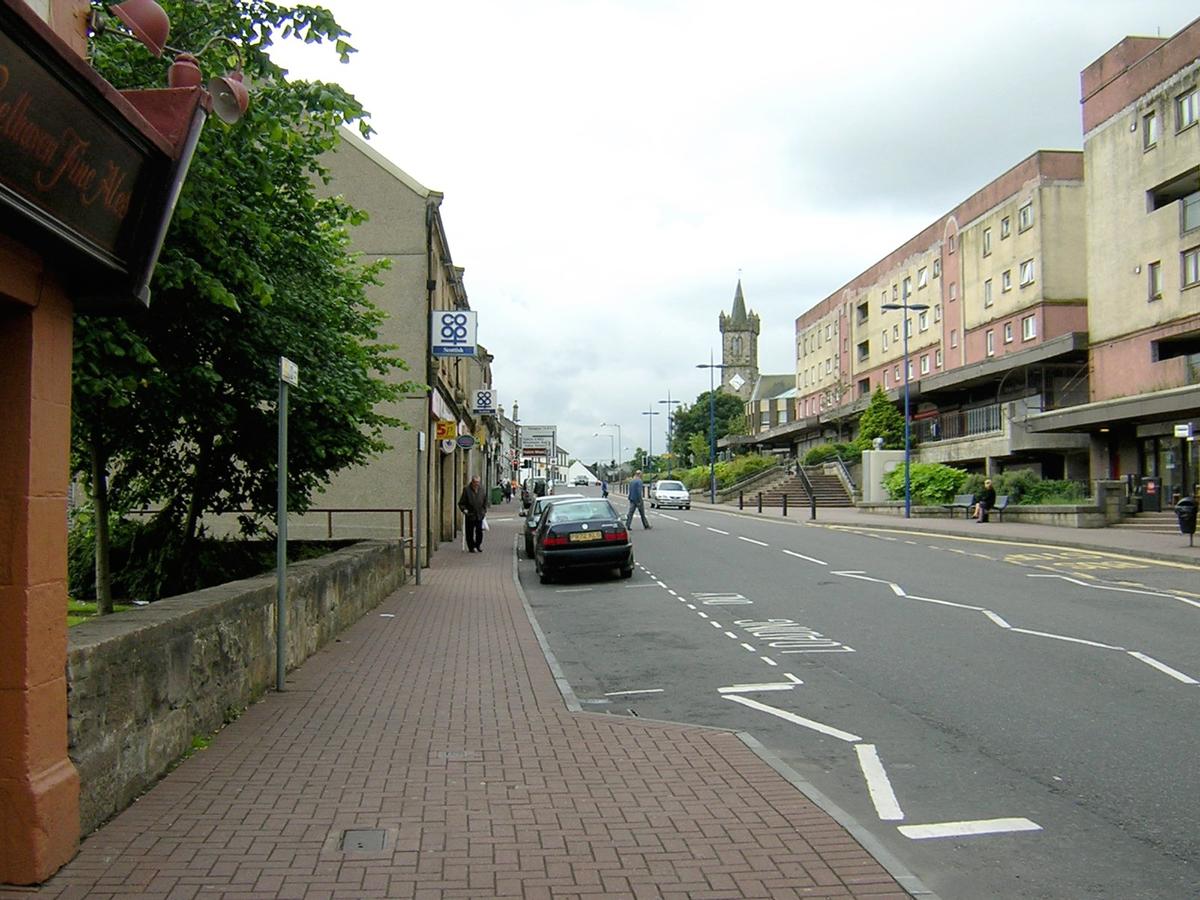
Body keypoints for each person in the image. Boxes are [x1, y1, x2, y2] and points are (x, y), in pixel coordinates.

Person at [458, 475, 489, 552]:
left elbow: (485, 501)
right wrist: (464, 509)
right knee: (469, 532)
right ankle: (471, 547)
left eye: (478, 482)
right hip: (470, 515)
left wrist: (484, 511)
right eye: (475, 482)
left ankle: (478, 545)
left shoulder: (482, 489)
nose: (477, 484)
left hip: (479, 515)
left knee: (479, 532)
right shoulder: (466, 490)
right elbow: (461, 503)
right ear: (472, 482)